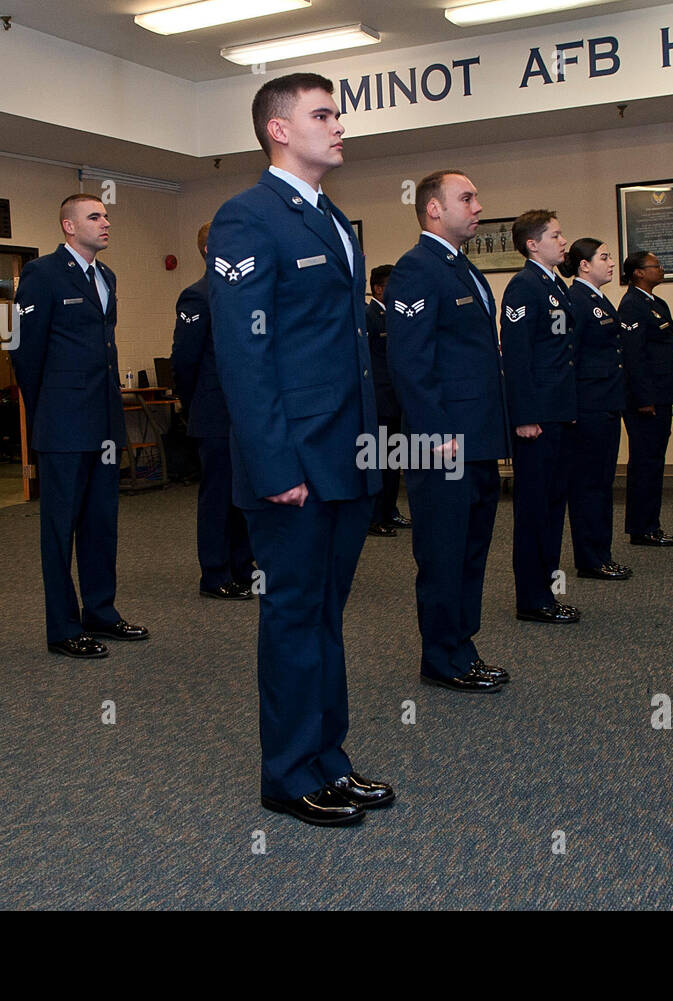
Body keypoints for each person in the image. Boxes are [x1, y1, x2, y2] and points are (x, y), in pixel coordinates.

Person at [207, 72, 394, 827]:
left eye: (338, 114)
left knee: (325, 615)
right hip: (292, 463)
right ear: (279, 130)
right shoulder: (247, 217)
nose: (339, 125)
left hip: (345, 457)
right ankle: (286, 773)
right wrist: (276, 464)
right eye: (323, 114)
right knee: (292, 616)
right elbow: (244, 357)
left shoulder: (338, 222)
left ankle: (328, 759)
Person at [385, 169, 510, 694]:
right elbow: (411, 364)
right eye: (467, 197)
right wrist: (437, 438)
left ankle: (463, 645)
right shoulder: (417, 269)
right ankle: (441, 656)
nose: (478, 206)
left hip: (476, 438)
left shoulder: (465, 269)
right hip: (442, 444)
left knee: (470, 548)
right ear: (434, 208)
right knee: (442, 551)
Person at [11, 194, 149, 659]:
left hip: (105, 421)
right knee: (60, 528)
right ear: (69, 226)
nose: (105, 222)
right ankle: (63, 626)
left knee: (101, 523)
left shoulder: (106, 275)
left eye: (107, 215)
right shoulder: (42, 275)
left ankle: (100, 611)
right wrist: (46, 407)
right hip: (63, 423)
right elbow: (24, 352)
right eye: (95, 216)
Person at [500, 210, 580, 624]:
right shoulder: (524, 286)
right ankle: (531, 598)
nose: (563, 241)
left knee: (552, 505)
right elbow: (517, 357)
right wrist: (525, 415)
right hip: (537, 419)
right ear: (533, 244)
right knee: (534, 510)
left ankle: (545, 592)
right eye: (556, 234)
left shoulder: (557, 285)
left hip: (559, 413)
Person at [171, 221, 256, 600]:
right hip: (214, 414)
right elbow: (184, 362)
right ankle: (215, 574)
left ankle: (242, 565)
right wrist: (194, 408)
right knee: (218, 497)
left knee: (244, 497)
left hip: (246, 417)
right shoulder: (197, 296)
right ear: (210, 250)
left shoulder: (245, 292)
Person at [559, 238, 631, 582]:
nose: (612, 262)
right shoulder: (576, 300)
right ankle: (591, 558)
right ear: (584, 265)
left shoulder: (598, 299)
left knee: (602, 483)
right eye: (604, 257)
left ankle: (601, 552)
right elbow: (569, 357)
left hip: (606, 402)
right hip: (589, 405)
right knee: (589, 485)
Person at [618, 251, 673, 547]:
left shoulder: (657, 304)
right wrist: (643, 398)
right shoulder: (632, 305)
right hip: (645, 400)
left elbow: (670, 353)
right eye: (655, 266)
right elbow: (633, 357)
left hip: (662, 393)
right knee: (645, 462)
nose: (661, 269)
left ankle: (650, 524)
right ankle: (641, 527)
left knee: (654, 462)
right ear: (638, 273)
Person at [365, 263, 411, 536]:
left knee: (394, 463)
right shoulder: (369, 316)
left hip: (396, 401)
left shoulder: (395, 315)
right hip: (379, 402)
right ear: (379, 289)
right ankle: (374, 518)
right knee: (378, 464)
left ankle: (390, 511)